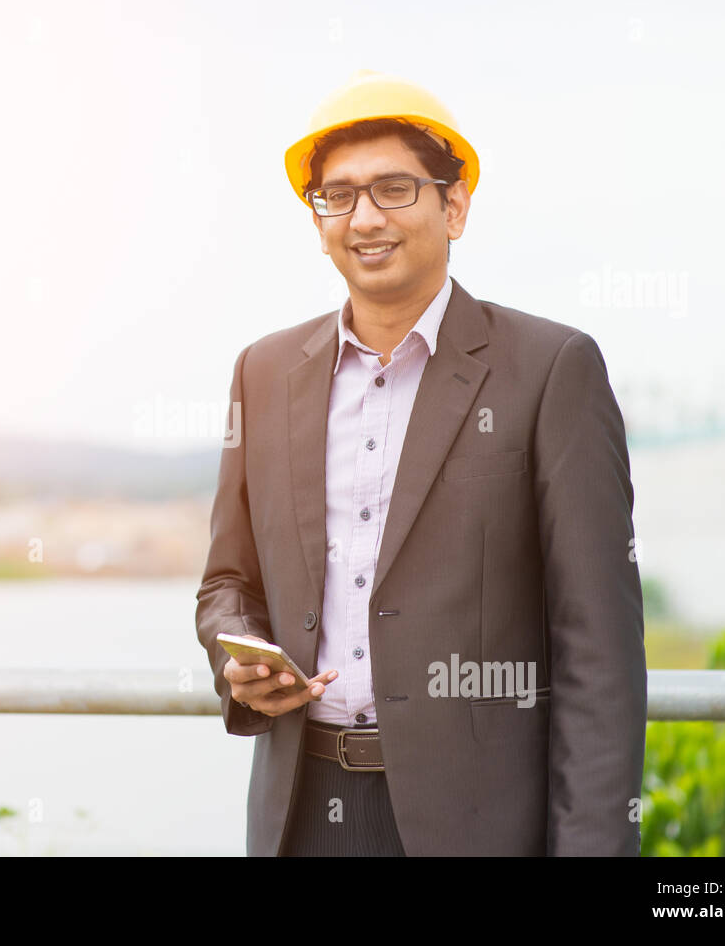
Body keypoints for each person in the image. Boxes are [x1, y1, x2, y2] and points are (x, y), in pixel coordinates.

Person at [194, 70, 647, 856]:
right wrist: (240, 656)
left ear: (456, 203)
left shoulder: (550, 369)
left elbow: (599, 655)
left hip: (480, 827)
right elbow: (226, 582)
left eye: (393, 189)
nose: (364, 217)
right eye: (337, 196)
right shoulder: (262, 373)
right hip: (300, 813)